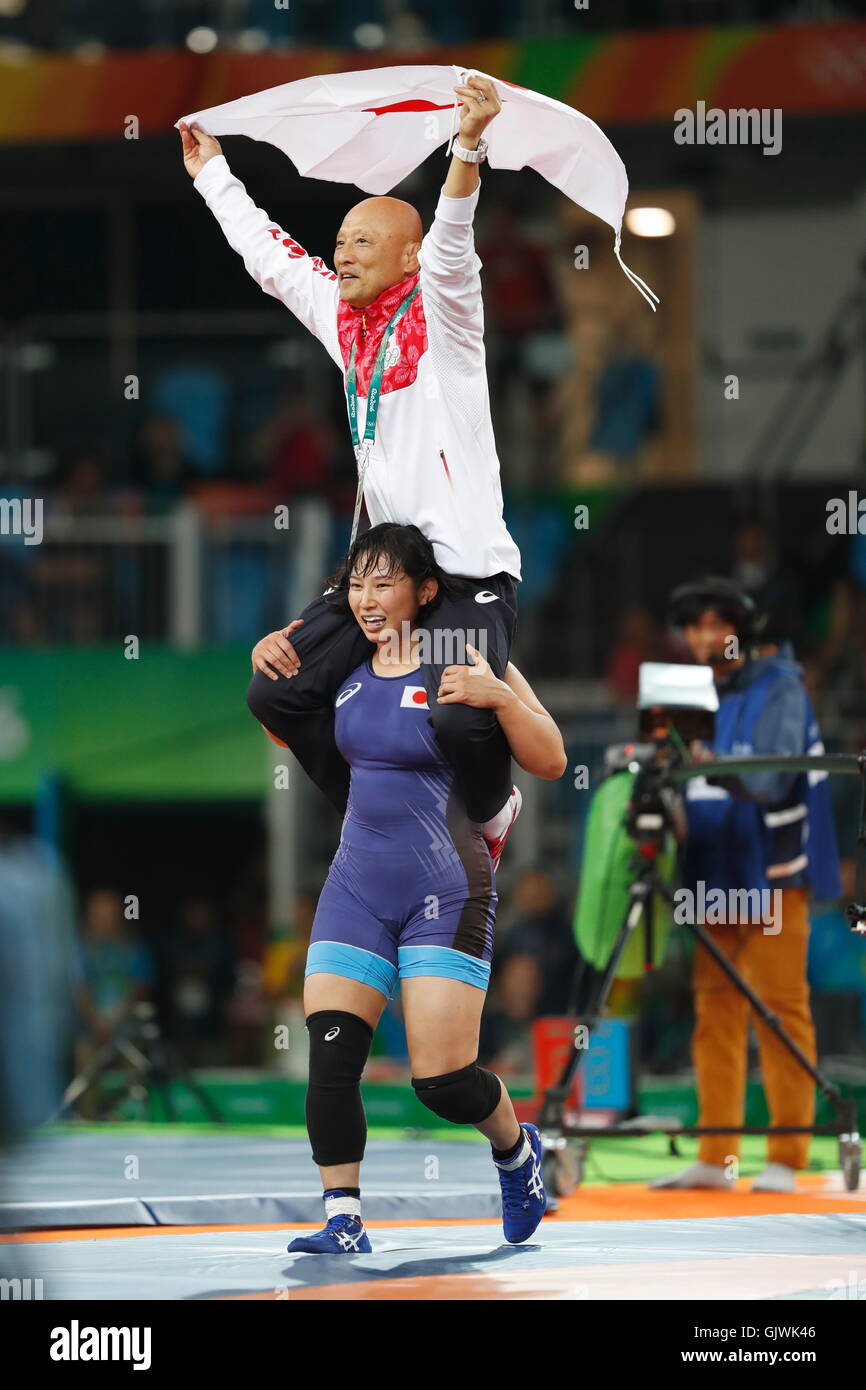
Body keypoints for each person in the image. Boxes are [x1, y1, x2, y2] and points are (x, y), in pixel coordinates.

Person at [179, 74, 524, 867]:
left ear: (408, 255)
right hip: (377, 576)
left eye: (362, 240)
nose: (343, 251)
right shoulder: (347, 322)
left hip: (465, 576)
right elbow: (271, 259)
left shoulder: (448, 324)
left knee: (462, 719)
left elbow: (453, 245)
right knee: (277, 689)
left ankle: (492, 808)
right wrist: (212, 175)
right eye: (340, 241)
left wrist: (466, 146)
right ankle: (377, 808)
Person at [284, 523, 566, 1252]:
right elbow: (290, 727)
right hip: (356, 886)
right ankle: (342, 1218)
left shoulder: (462, 654)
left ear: (427, 591)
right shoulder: (342, 659)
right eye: (357, 583)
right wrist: (269, 657)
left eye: (385, 583)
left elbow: (554, 758)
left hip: (446, 885)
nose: (368, 599)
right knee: (333, 1053)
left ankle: (516, 1151)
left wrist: (500, 696)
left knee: (441, 1080)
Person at [651, 578, 840, 1194]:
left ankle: (789, 1154)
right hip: (712, 867)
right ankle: (717, 1156)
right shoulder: (694, 692)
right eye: (695, 627)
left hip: (772, 871)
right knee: (715, 1013)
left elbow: (771, 781)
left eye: (716, 625)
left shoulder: (779, 684)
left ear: (742, 630)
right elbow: (687, 778)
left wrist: (711, 766)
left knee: (780, 1009)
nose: (705, 637)